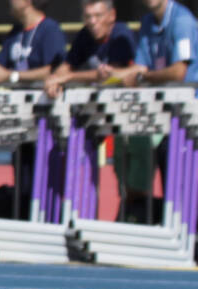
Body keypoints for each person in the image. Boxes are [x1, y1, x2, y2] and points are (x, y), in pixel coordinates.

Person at [98, 0, 198, 226]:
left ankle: (185, 233)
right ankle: (144, 217)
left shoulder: (182, 22)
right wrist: (116, 73)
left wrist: (143, 77)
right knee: (130, 146)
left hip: (190, 120)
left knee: (181, 183)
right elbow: (140, 68)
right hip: (162, 117)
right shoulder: (147, 23)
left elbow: (179, 72)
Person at [0, 0, 68, 220]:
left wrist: (11, 76)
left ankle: (48, 224)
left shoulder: (50, 29)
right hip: (22, 123)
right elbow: (2, 67)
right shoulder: (15, 33)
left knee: (46, 183)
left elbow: (54, 69)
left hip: (47, 125)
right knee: (23, 180)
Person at [43, 0, 136, 98]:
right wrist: (54, 81)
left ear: (112, 15)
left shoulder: (121, 34)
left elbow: (110, 75)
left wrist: (68, 77)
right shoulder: (85, 34)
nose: (92, 21)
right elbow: (66, 66)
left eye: (98, 15)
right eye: (88, 16)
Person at [0, 0, 67, 90]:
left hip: (42, 98)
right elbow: (1, 65)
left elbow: (52, 71)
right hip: (17, 98)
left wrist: (11, 75)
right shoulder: (15, 31)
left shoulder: (50, 29)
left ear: (27, 1)